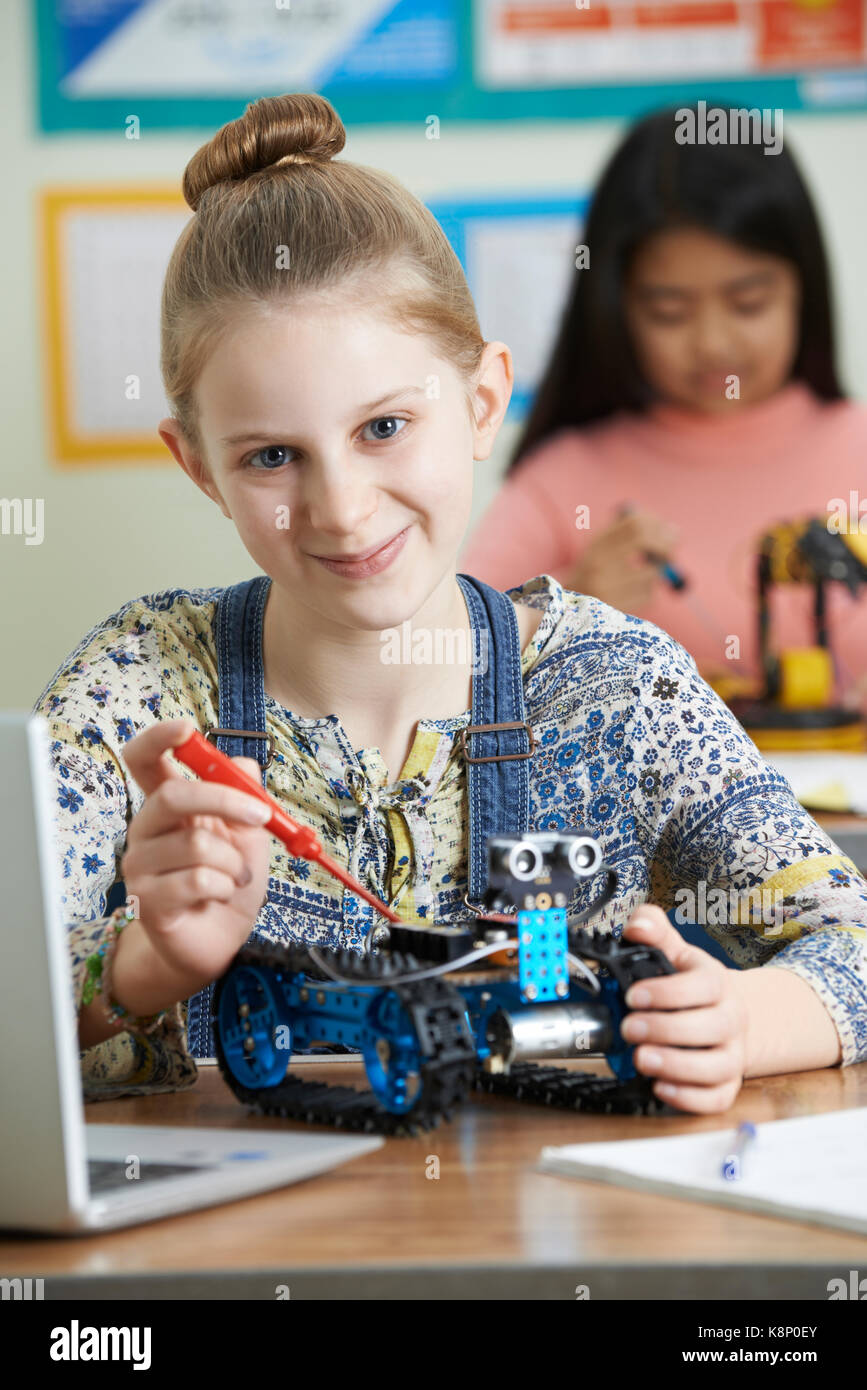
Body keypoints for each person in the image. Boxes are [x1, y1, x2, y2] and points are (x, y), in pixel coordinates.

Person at [34, 93, 867, 1120]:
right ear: (197, 464)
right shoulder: (134, 693)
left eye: (384, 425)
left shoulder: (622, 686)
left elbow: (851, 940)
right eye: (272, 456)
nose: (341, 508)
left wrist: (745, 1016)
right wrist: (138, 969)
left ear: (480, 404)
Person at [459, 106, 867, 699]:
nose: (714, 343)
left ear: (805, 284)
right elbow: (445, 677)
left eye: (749, 302)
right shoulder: (561, 481)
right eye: (669, 311)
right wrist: (565, 612)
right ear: (615, 306)